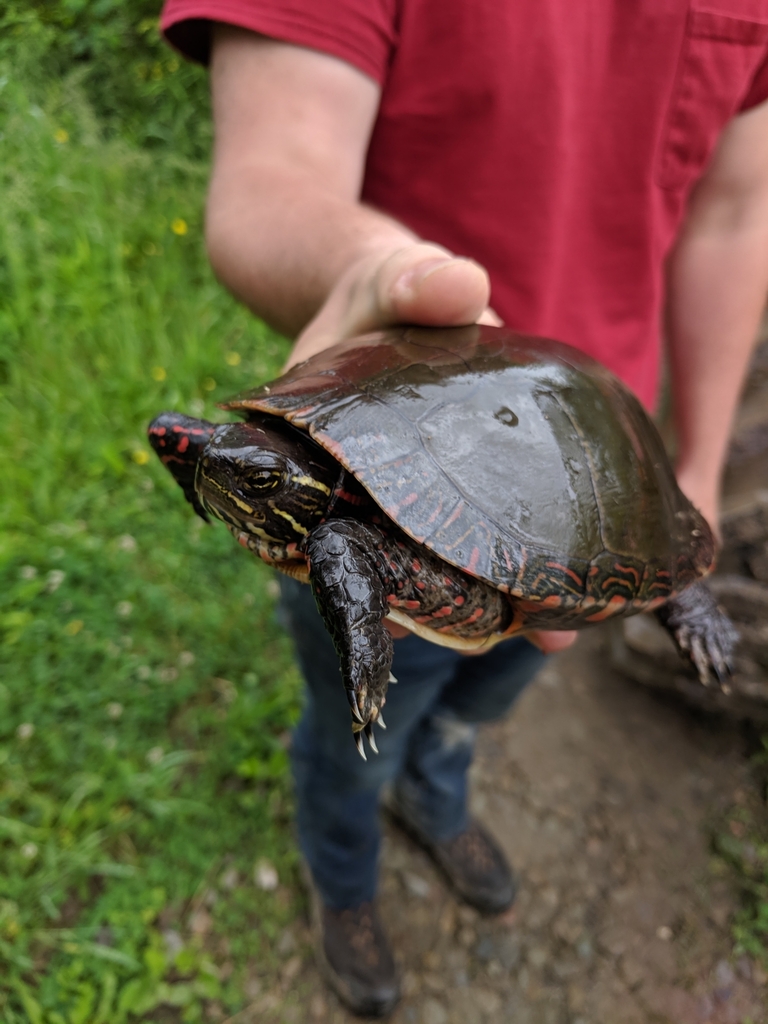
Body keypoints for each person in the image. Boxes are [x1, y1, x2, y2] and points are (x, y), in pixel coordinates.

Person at [160, 1, 768, 1015]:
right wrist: (363, 264)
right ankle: (348, 877)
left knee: (486, 692)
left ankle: (436, 794)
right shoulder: (329, 509)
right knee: (352, 726)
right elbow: (273, 173)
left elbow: (737, 211)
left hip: (584, 452)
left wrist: (694, 471)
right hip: (403, 377)